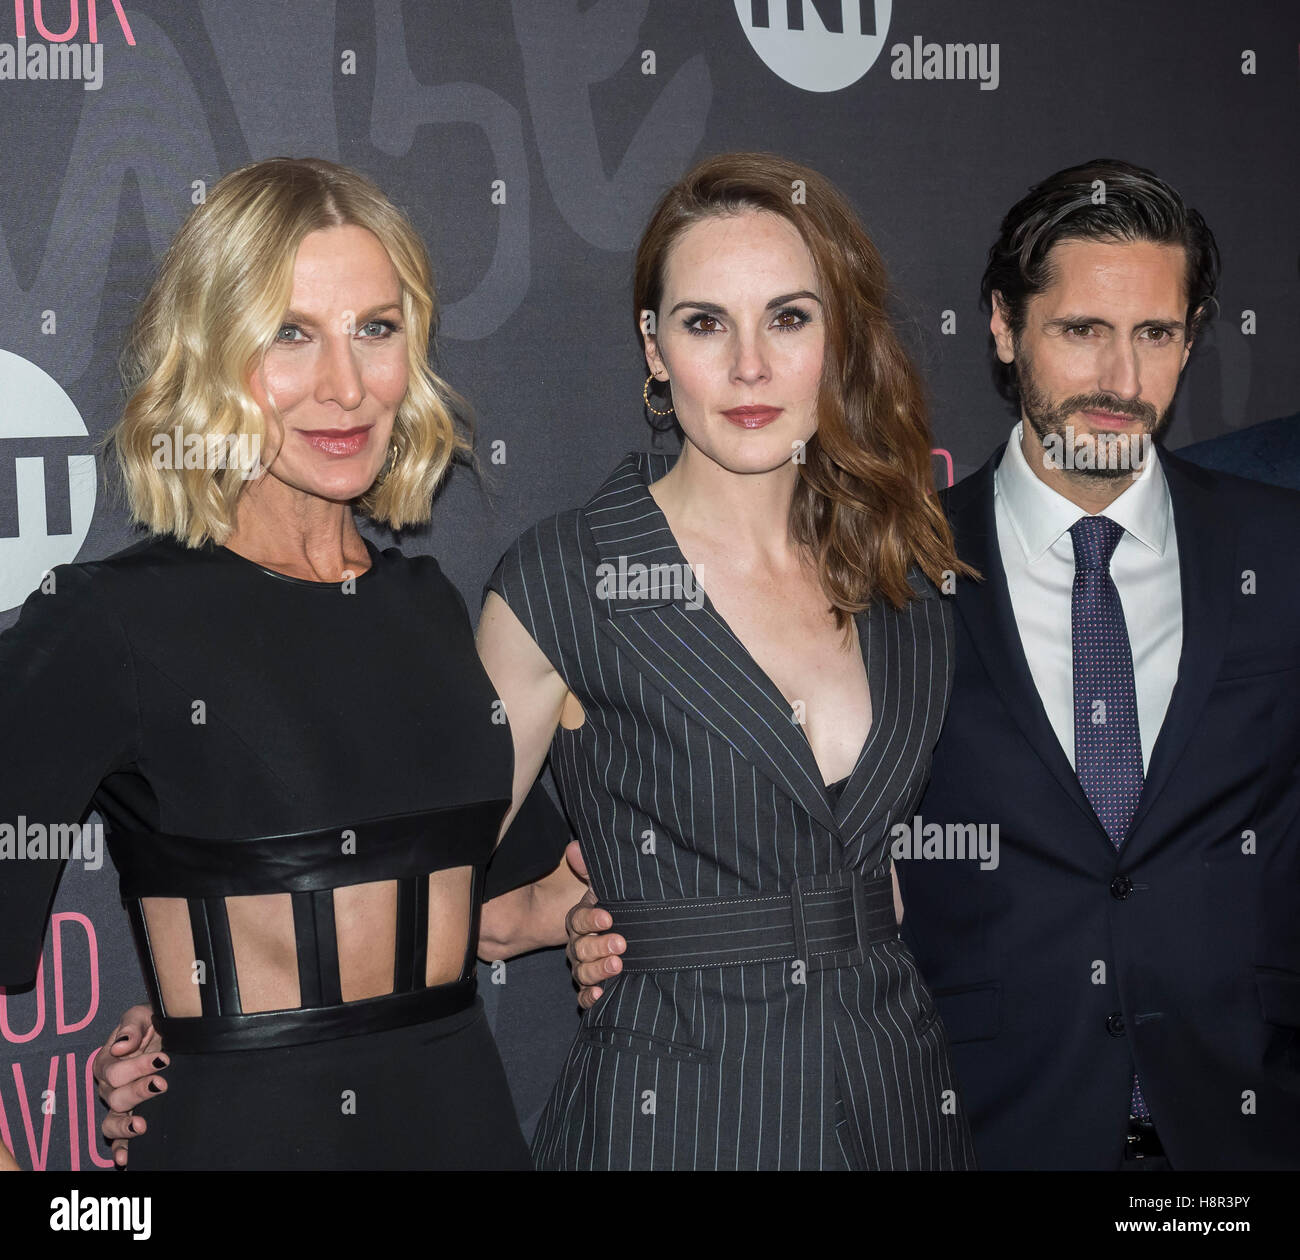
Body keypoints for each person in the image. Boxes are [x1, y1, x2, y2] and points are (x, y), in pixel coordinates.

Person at [570, 159, 1300, 1170]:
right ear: (1003, 328)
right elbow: (769, 826)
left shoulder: (1280, 554)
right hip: (979, 1132)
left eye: (1156, 335)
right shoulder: (882, 575)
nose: (1122, 383)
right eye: (1081, 331)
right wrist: (632, 925)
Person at [0, 157, 575, 1171]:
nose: (344, 385)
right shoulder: (108, 622)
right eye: (291, 333)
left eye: (376, 329)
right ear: (213, 355)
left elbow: (496, 912)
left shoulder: (428, 611)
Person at [468, 151, 975, 1170]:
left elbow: (871, 861)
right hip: (678, 1115)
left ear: (836, 338)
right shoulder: (568, 581)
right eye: (705, 324)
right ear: (654, 349)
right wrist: (547, 912)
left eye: (788, 318)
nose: (750, 367)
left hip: (897, 1099)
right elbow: (417, 886)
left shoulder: (903, 572)